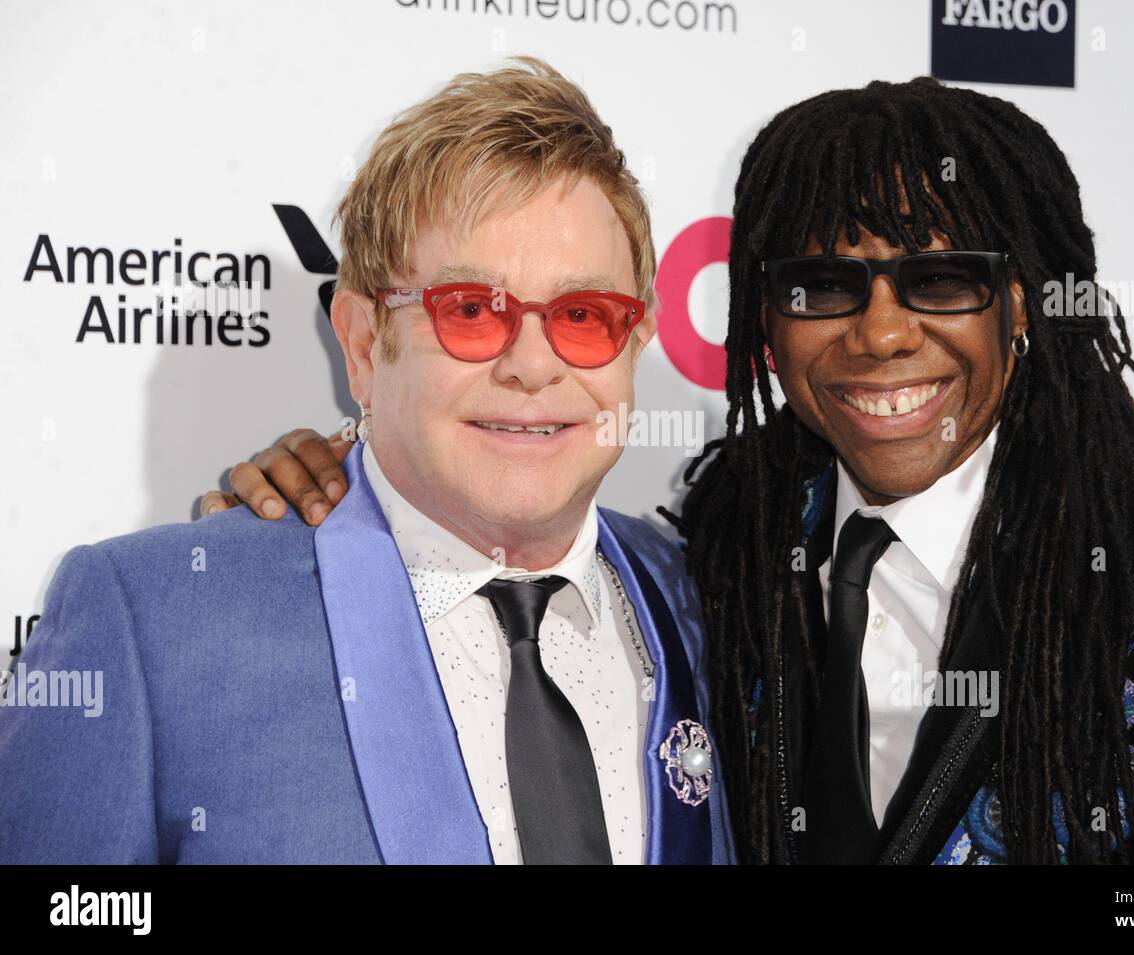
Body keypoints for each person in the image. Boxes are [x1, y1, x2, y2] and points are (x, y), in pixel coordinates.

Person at [205, 78, 1134, 865]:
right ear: (761, 331)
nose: (880, 335)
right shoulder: (722, 543)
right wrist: (342, 471)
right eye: (823, 287)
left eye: (941, 281)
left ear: (1021, 309)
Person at [0, 58, 733, 865]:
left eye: (584, 314)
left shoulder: (712, 600)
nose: (533, 364)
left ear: (636, 343)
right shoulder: (153, 623)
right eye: (469, 311)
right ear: (359, 344)